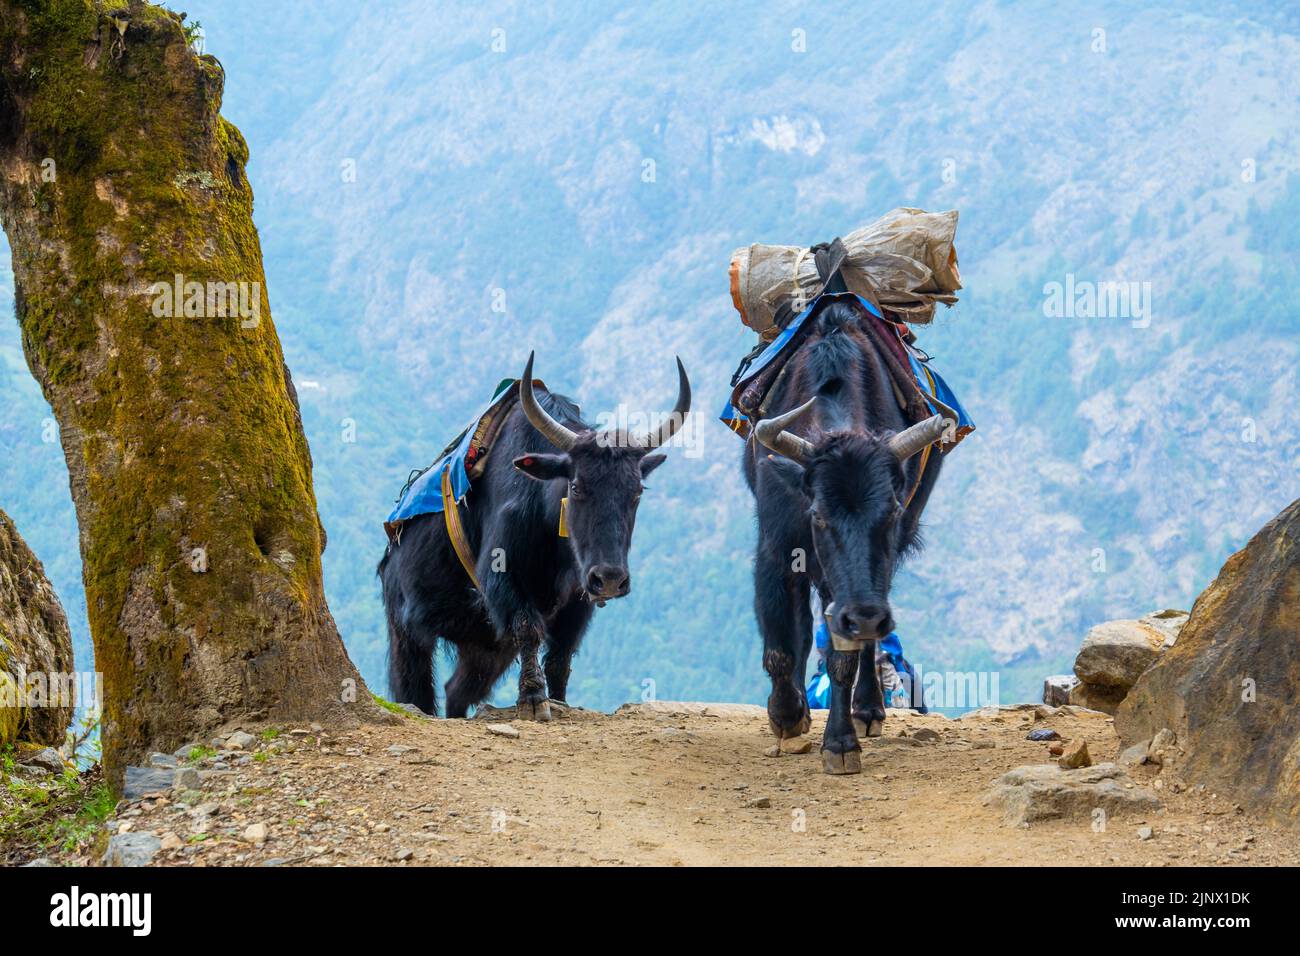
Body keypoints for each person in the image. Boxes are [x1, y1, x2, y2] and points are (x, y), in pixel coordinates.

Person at [805, 591, 926, 714]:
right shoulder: (835, 623)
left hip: (876, 654)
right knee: (909, 678)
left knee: (815, 691)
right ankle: (920, 712)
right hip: (866, 655)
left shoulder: (833, 621)